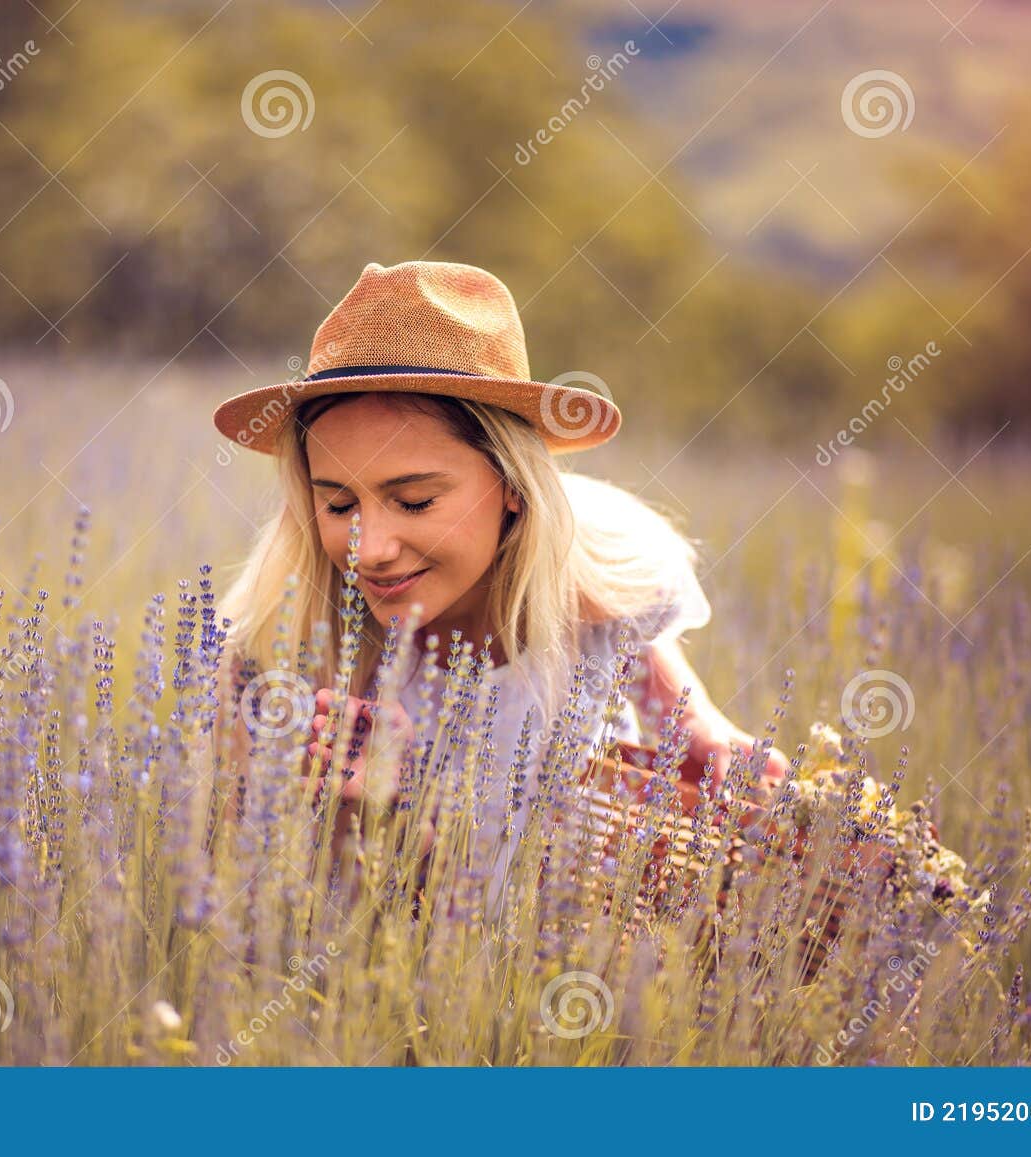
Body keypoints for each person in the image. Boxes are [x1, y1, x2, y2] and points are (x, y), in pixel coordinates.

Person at [210, 260, 788, 917]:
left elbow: (692, 730)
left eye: (416, 500)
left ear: (513, 486)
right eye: (339, 506)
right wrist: (375, 822)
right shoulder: (283, 656)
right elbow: (267, 929)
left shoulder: (602, 586)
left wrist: (722, 749)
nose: (369, 550)